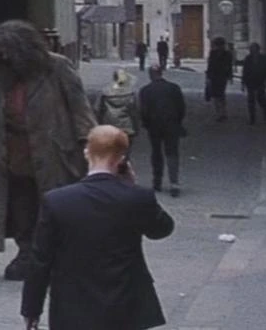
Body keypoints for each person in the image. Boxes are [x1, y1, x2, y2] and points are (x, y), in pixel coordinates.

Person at [20, 125, 174, 330]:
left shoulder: (57, 201)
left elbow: (41, 260)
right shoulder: (137, 197)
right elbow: (162, 229)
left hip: (73, 305)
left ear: (86, 153)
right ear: (122, 159)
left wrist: (32, 309)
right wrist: (132, 185)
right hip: (125, 304)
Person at [0, 19, 96, 281]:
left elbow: (80, 107)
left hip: (54, 153)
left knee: (55, 207)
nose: (5, 56)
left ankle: (59, 257)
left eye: (8, 50)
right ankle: (26, 253)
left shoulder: (56, 67)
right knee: (21, 209)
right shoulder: (1, 74)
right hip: (13, 154)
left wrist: (91, 144)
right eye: (0, 52)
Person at [139, 65, 186, 196]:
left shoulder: (145, 91)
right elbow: (181, 107)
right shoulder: (174, 88)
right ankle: (174, 182)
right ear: (161, 73)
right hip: (171, 124)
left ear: (150, 75)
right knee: (172, 153)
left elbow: (143, 111)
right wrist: (178, 121)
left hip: (154, 125)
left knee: (156, 153)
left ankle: (157, 181)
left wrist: (146, 123)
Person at [97, 69, 139, 144]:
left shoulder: (105, 91)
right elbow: (134, 111)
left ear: (114, 77)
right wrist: (136, 127)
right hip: (126, 126)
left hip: (109, 125)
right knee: (125, 151)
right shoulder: (130, 92)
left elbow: (97, 109)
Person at [241, 42, 266, 125]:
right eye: (252, 49)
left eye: (255, 49)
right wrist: (243, 83)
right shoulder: (248, 59)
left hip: (260, 81)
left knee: (260, 98)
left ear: (258, 50)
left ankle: (265, 109)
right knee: (251, 100)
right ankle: (252, 118)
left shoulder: (264, 59)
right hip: (250, 82)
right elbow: (245, 71)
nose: (253, 51)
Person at [206, 37, 233, 121]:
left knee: (221, 94)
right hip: (214, 76)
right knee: (215, 95)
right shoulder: (213, 53)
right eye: (217, 45)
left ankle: (223, 112)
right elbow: (210, 66)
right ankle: (219, 113)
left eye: (220, 45)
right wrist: (208, 77)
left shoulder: (227, 54)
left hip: (222, 76)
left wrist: (229, 76)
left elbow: (229, 66)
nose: (218, 47)